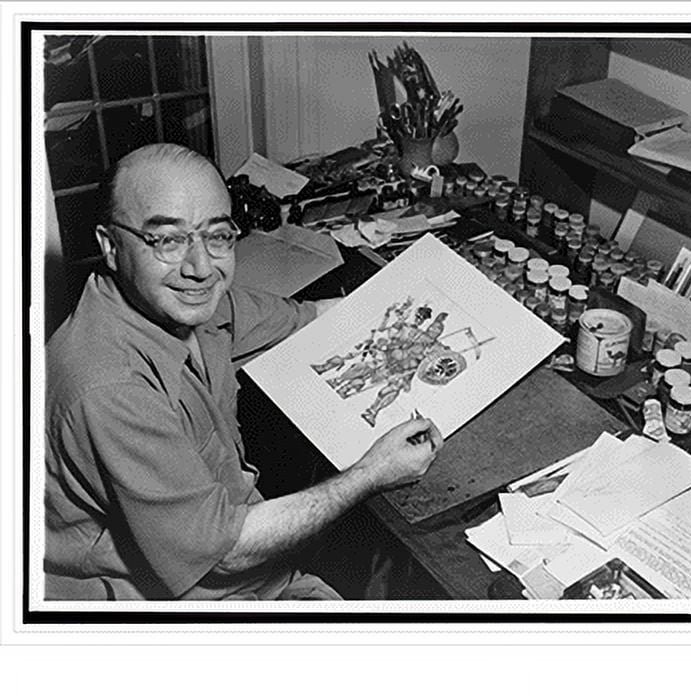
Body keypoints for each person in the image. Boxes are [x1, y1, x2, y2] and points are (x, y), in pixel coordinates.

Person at [44, 143, 443, 601]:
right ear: (111, 247)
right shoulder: (109, 387)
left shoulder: (191, 305)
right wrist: (372, 472)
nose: (200, 268)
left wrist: (420, 299)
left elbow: (309, 316)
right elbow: (225, 552)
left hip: (247, 557)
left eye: (216, 236)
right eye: (168, 240)